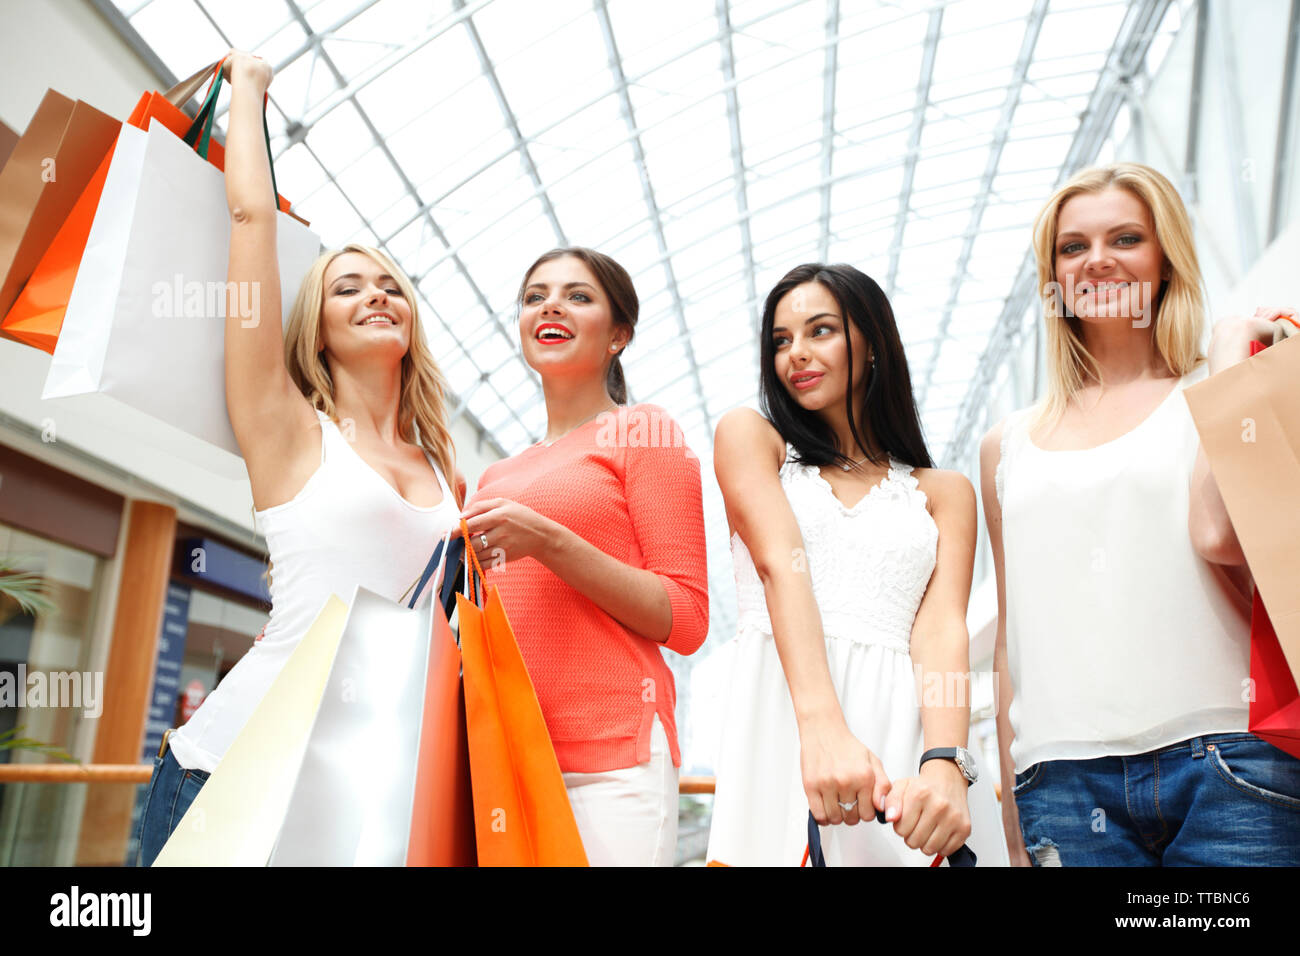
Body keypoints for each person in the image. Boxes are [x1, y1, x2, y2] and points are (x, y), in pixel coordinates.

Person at [134, 52, 464, 866]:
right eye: (349, 288)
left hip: (357, 789)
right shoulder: (288, 428)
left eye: (390, 285)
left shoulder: (444, 472)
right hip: (235, 766)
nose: (377, 295)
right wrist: (248, 91)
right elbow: (251, 222)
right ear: (315, 327)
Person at [981, 161, 1300, 866]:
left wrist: (1223, 358)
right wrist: (1009, 801)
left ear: (1165, 260)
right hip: (1060, 781)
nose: (1097, 259)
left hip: (1230, 761)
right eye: (1073, 246)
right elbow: (1012, 645)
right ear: (1053, 274)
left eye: (1125, 237)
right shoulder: (1006, 446)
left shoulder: (1218, 390)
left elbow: (1219, 533)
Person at [706, 263, 1005, 866]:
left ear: (871, 343)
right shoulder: (752, 439)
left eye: (820, 331)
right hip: (790, 727)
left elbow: (941, 631)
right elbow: (779, 568)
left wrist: (947, 766)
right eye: (781, 340)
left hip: (908, 749)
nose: (796, 354)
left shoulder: (945, 492)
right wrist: (822, 732)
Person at [459, 247, 708, 866]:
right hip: (506, 753)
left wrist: (548, 542)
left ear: (618, 334)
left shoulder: (644, 433)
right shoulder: (493, 477)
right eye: (535, 294)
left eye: (578, 295)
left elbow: (687, 618)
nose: (551, 305)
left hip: (614, 762)